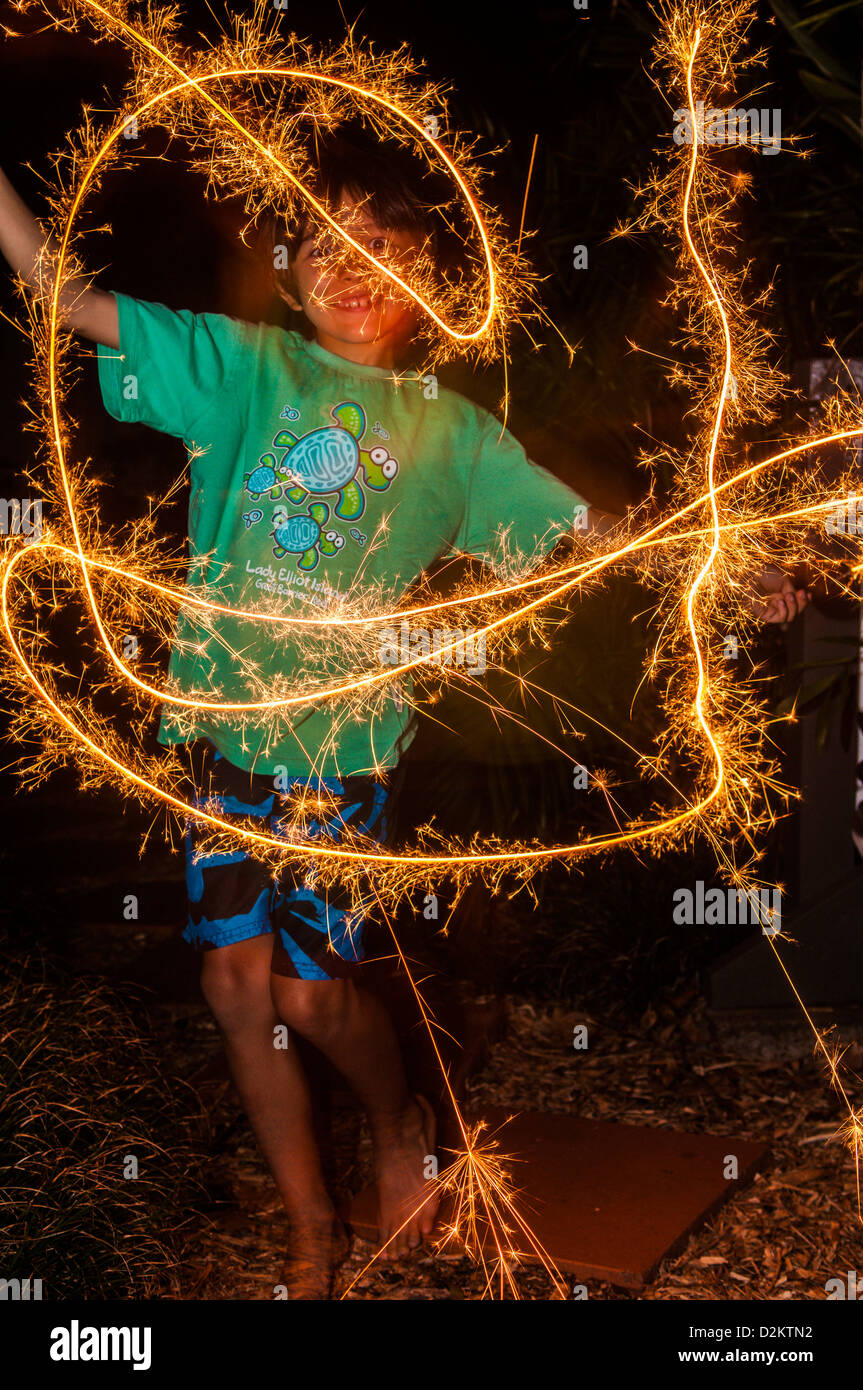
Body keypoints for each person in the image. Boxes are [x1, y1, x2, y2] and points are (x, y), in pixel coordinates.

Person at [0, 128, 809, 1299]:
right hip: (225, 740)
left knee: (309, 993)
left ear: (431, 269)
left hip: (342, 757)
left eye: (378, 241)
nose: (346, 264)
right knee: (234, 988)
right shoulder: (249, 370)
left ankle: (397, 1118)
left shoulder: (455, 437)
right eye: (320, 244)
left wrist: (729, 567)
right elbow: (63, 291)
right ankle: (309, 1227)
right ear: (287, 272)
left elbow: (599, 538)